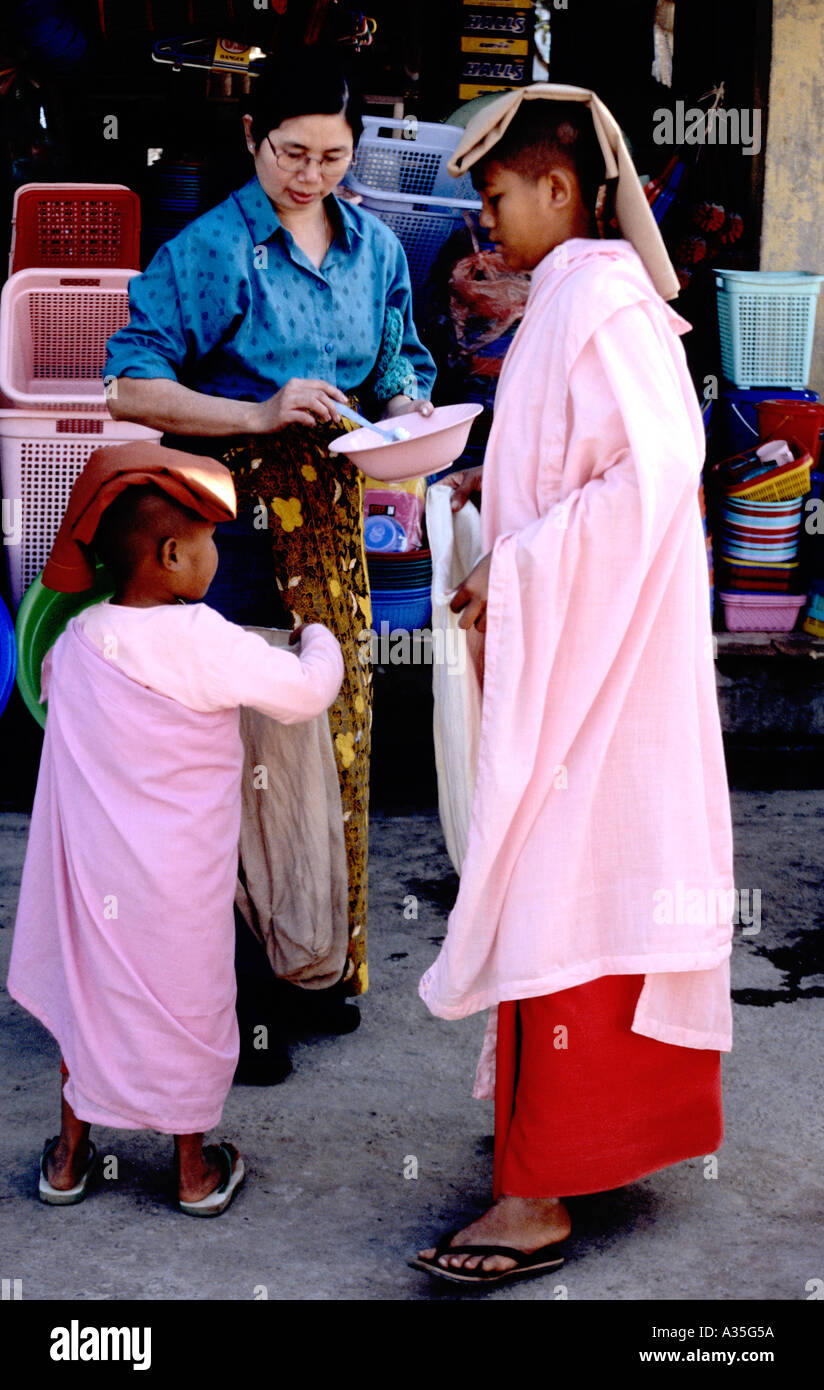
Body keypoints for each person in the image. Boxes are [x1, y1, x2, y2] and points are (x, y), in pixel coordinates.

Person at [411, 85, 734, 1285]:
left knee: (555, 881)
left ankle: (536, 1195)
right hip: (584, 653)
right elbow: (574, 458)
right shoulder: (571, 296)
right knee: (565, 879)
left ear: (558, 189)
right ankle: (556, 1152)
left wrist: (523, 558)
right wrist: (485, 493)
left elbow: (655, 474)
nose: (485, 226)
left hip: (601, 670)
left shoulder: (598, 297)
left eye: (496, 199)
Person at [103, 44, 437, 1053]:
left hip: (330, 528)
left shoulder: (374, 250)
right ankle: (235, 993)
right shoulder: (207, 249)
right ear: (254, 137)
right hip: (226, 531)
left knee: (327, 744)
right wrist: (255, 412)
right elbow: (128, 386)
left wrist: (410, 421)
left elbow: (398, 367)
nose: (310, 177)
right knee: (240, 758)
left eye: (332, 159)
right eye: (292, 153)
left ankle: (313, 968)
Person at [7, 442, 343, 1214]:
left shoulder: (80, 642)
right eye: (207, 544)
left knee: (89, 998)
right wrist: (317, 635)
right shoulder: (205, 639)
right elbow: (303, 694)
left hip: (96, 877)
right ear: (168, 554)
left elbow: (47, 689)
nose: (215, 560)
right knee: (190, 1002)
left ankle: (68, 1159)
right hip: (180, 885)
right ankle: (192, 1172)